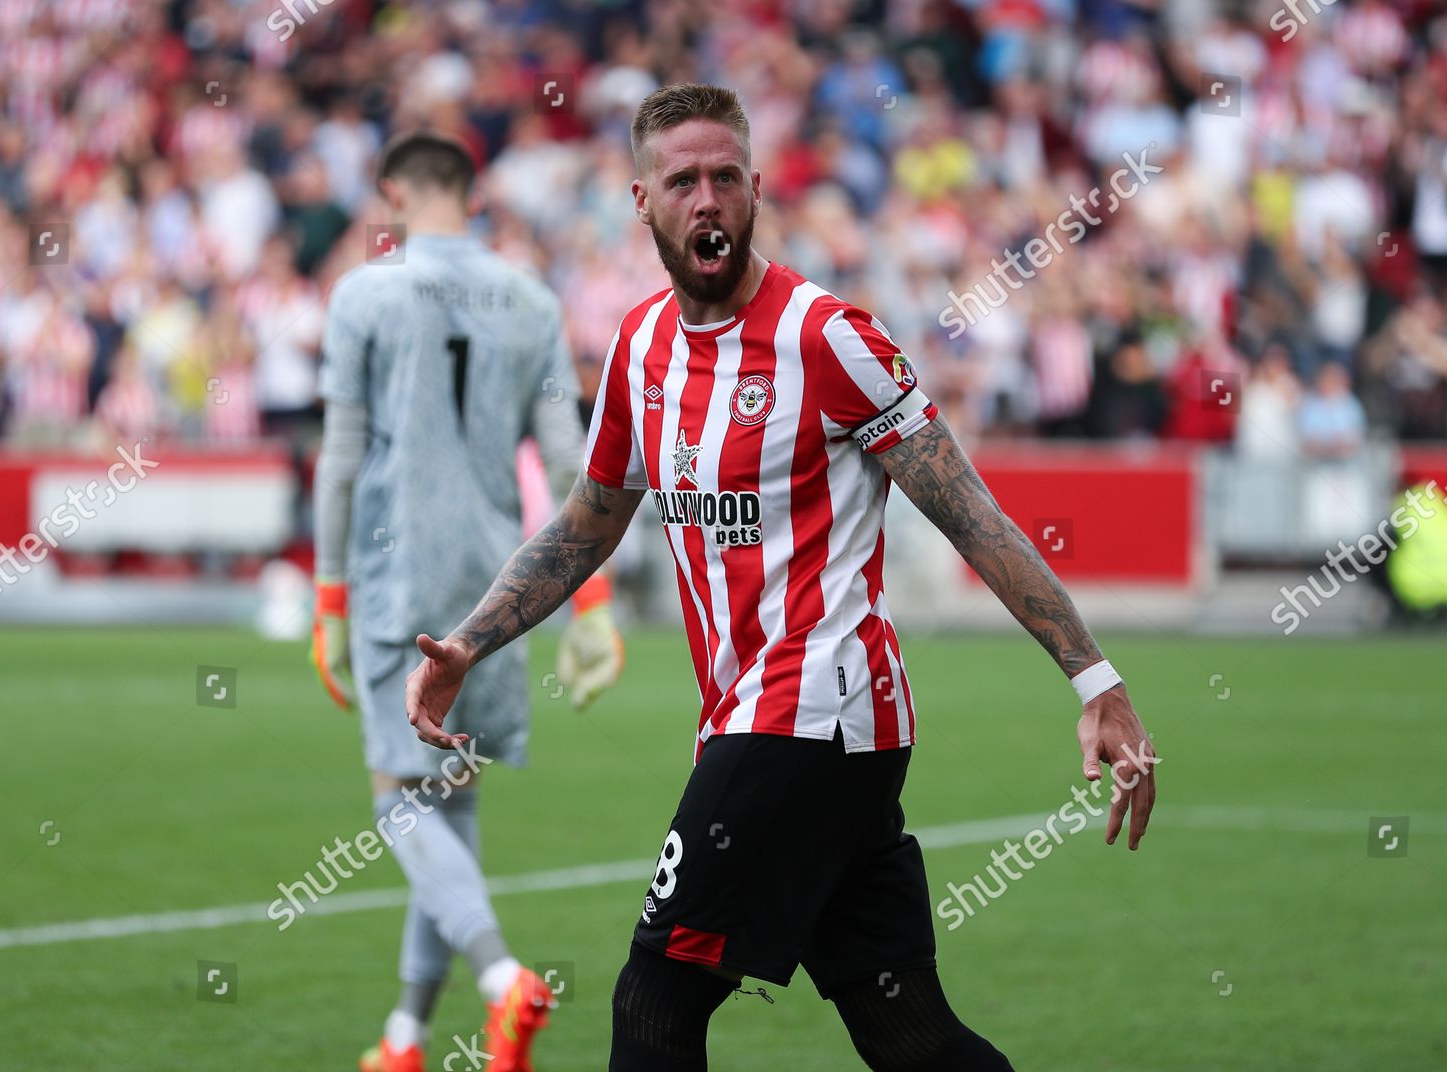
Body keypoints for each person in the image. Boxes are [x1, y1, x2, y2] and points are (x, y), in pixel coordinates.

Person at [405, 85, 1157, 1072]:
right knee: (910, 1034)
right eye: (683, 182)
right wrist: (470, 639)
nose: (707, 200)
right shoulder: (639, 349)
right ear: (642, 202)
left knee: (654, 999)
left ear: (758, 188)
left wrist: (1094, 678)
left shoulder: (827, 336)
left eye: (726, 177)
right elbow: (589, 520)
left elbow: (967, 508)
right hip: (786, 727)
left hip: (811, 711)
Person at [311, 131, 624, 1072]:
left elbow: (338, 458)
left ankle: (501, 981)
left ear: (393, 192)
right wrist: (592, 601)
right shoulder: (529, 299)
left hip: (392, 574)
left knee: (396, 801)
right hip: (498, 586)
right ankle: (405, 1040)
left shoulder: (364, 293)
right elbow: (577, 468)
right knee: (448, 803)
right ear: (473, 192)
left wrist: (328, 596)